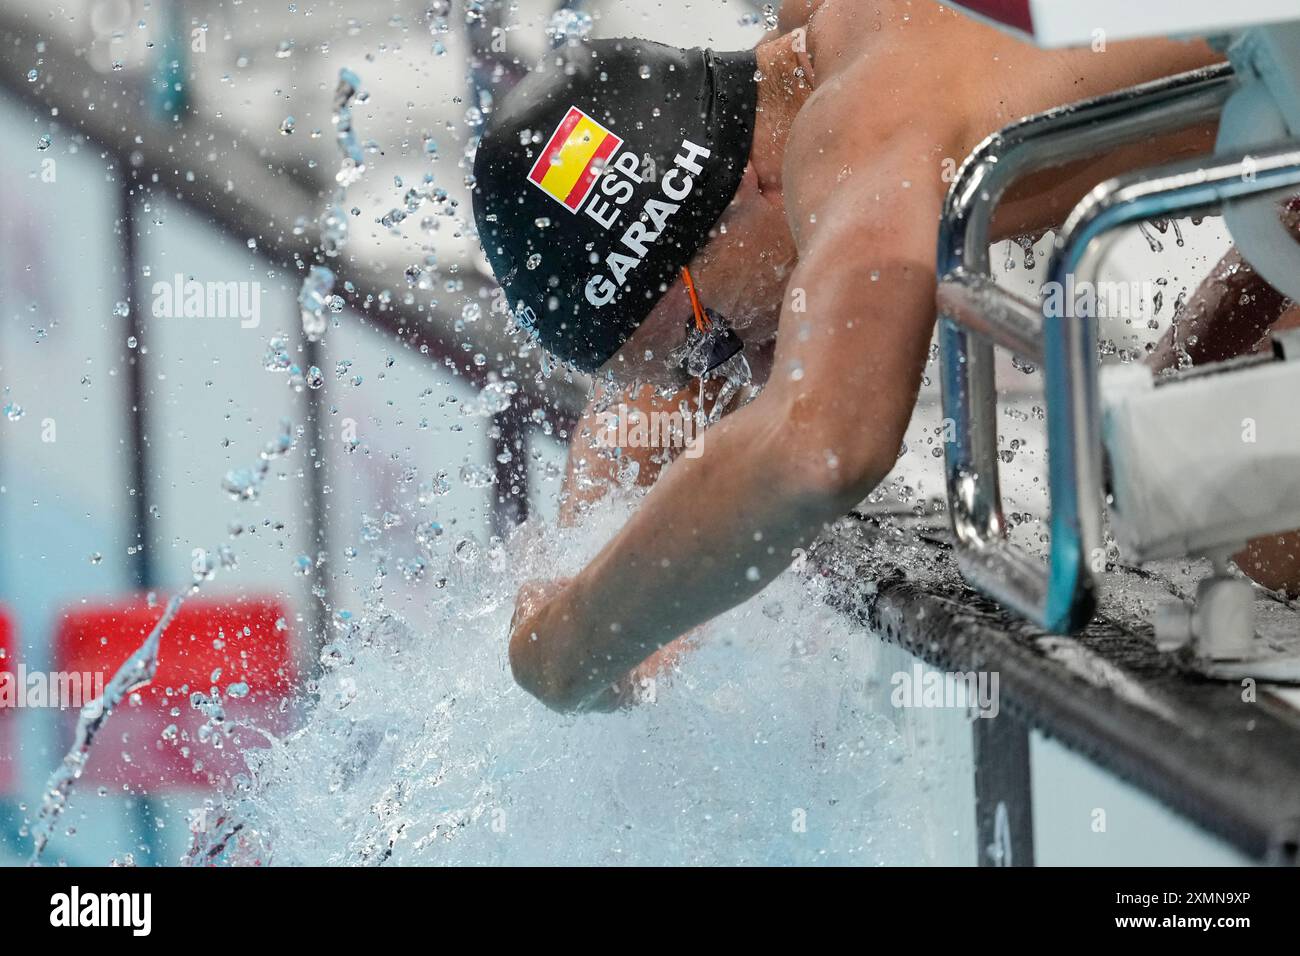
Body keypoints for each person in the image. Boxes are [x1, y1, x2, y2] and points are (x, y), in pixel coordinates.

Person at [472, 0, 1225, 712]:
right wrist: (589, 565)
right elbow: (654, 384)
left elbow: (824, 450)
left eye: (717, 344)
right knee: (1166, 466)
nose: (741, 375)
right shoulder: (803, 56)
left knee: (1240, 542)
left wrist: (562, 652)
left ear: (748, 192)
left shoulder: (850, 140)